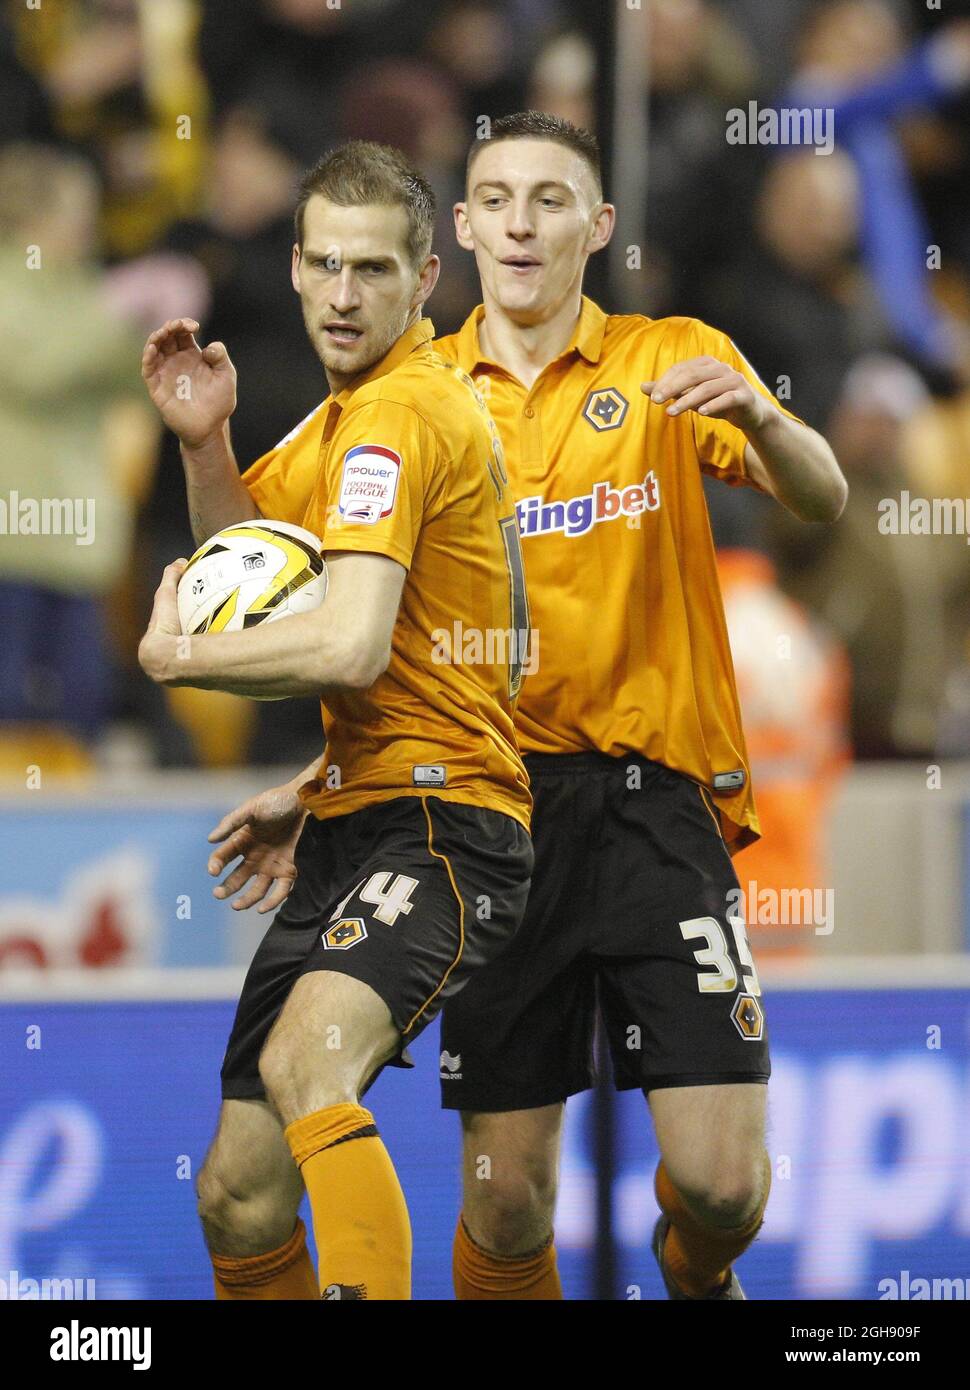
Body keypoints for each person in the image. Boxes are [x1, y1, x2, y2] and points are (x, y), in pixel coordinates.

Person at [203, 112, 847, 1301]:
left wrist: (763, 419)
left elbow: (823, 494)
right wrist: (319, 785)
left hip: (658, 808)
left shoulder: (669, 358)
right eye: (496, 196)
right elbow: (277, 574)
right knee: (505, 1201)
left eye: (551, 198)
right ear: (460, 228)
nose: (520, 220)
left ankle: (692, 1271)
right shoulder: (416, 391)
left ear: (597, 228)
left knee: (722, 1186)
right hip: (496, 811)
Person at [137, 140, 533, 1301]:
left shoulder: (398, 417)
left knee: (311, 1065)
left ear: (424, 284)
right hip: (358, 815)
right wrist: (208, 445)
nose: (344, 294)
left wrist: (179, 657)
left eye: (373, 269)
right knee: (239, 1187)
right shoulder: (342, 423)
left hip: (446, 821)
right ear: (298, 269)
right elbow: (251, 566)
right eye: (324, 265)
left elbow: (345, 640)